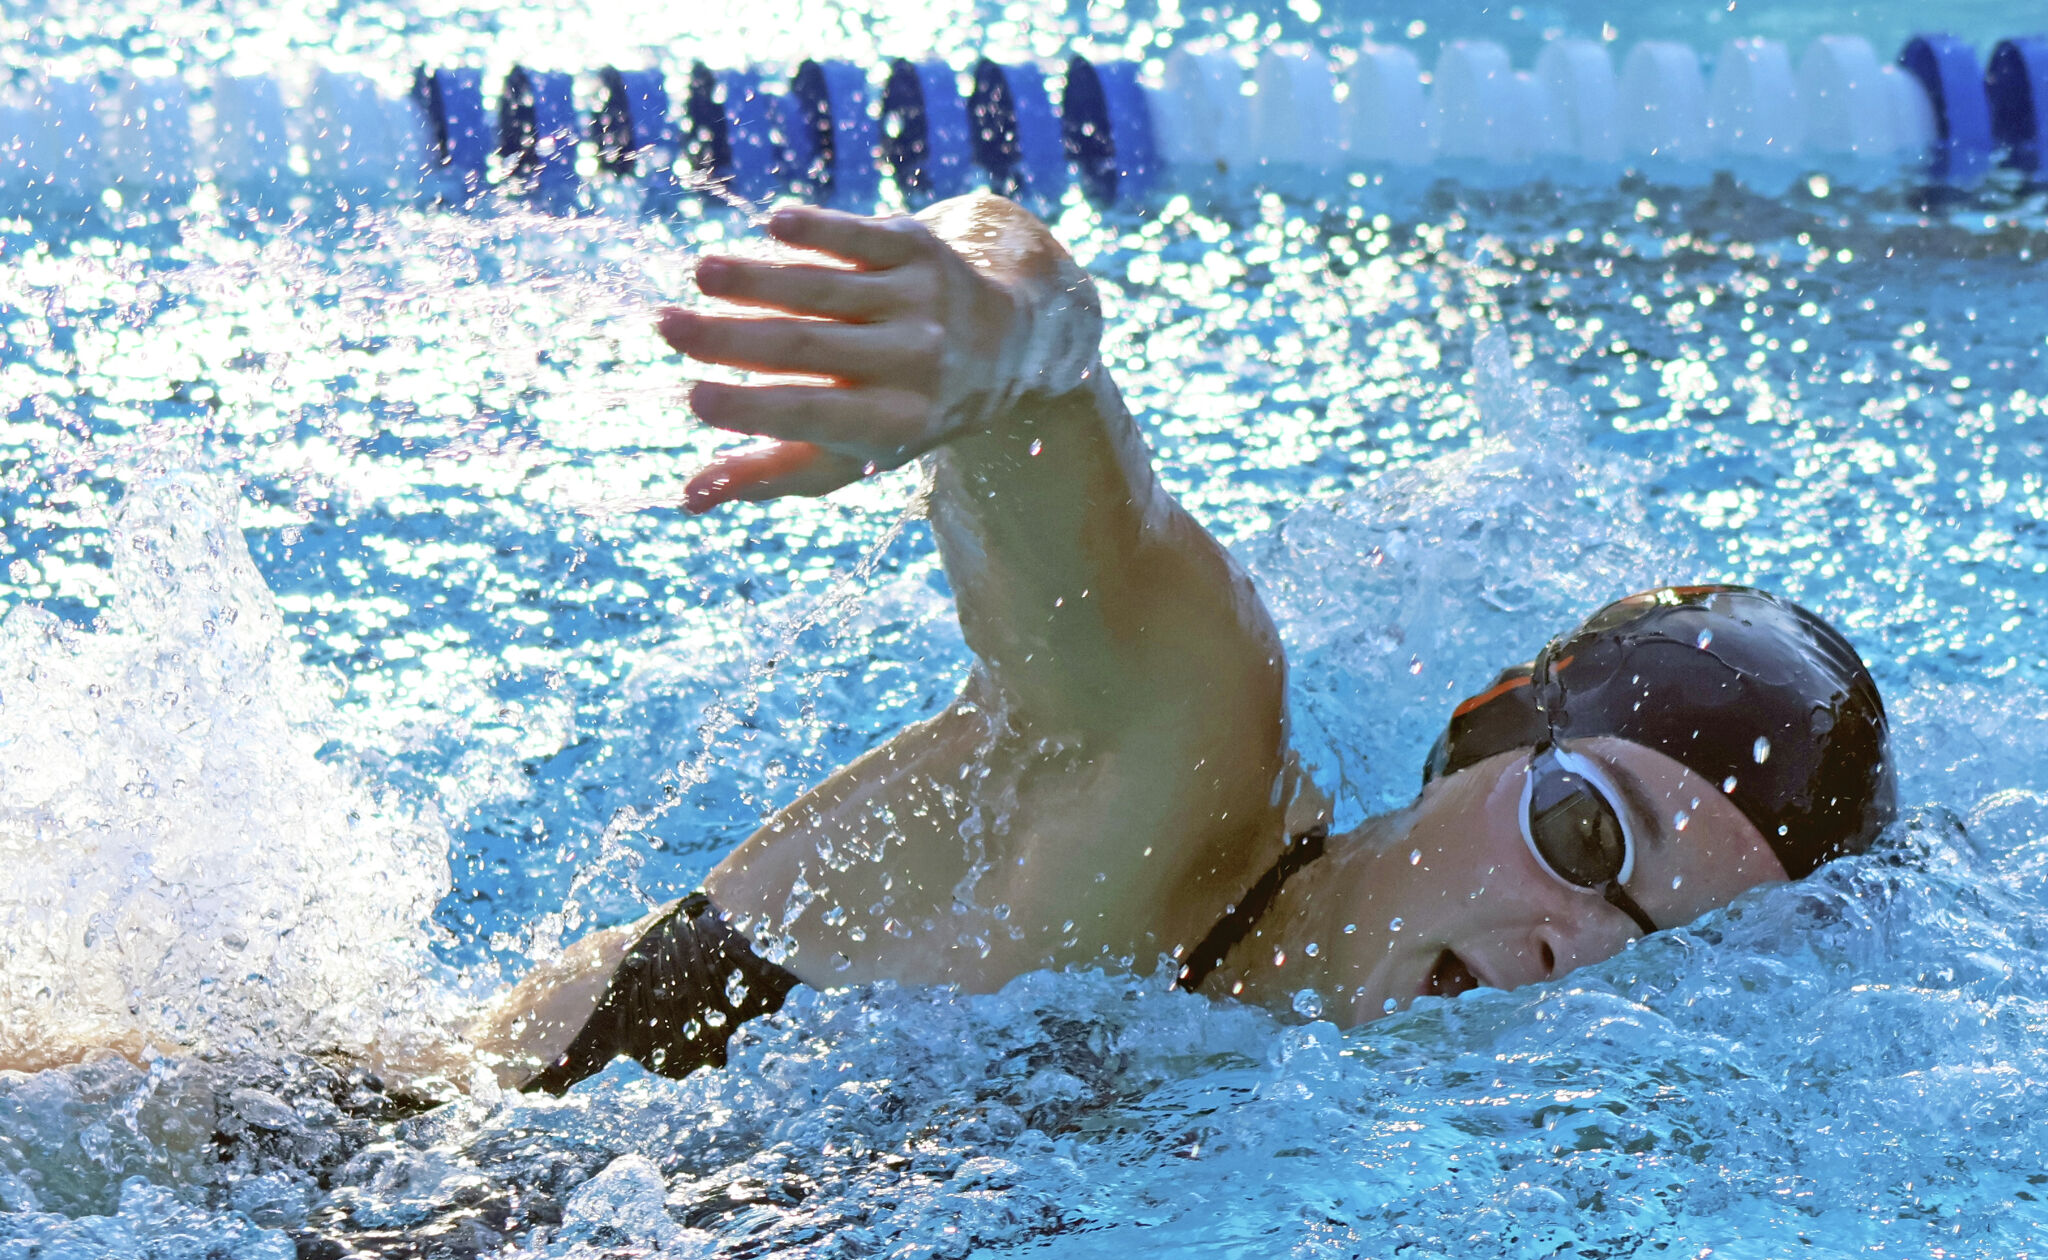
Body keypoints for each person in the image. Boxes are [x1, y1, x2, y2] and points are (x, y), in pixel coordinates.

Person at [471, 195, 1895, 1094]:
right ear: (1483, 731)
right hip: (341, 1201)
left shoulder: (1294, 1131)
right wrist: (1004, 331)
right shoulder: (1180, 760)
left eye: (1657, 950)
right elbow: (1073, 446)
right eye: (1588, 839)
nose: (1569, 950)